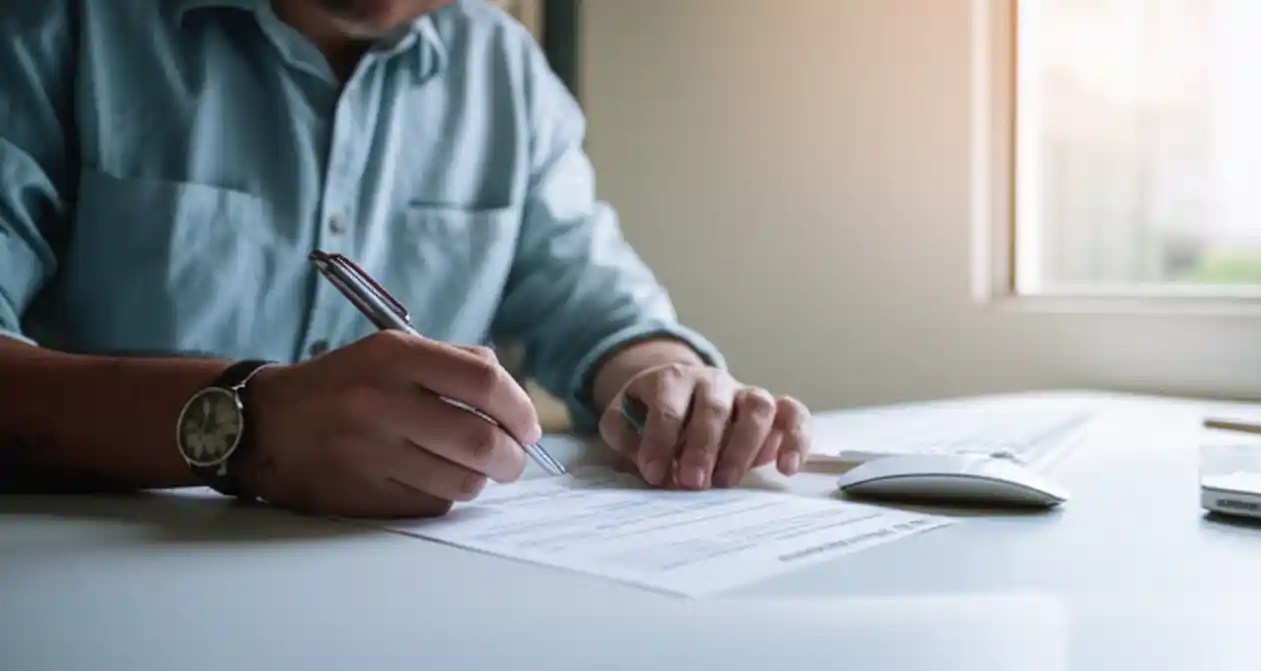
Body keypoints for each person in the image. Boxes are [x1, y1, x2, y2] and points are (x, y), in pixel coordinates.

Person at [0, 0, 811, 518]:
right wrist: (252, 425)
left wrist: (669, 380)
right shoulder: (58, 28)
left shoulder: (505, 69)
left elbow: (594, 303)